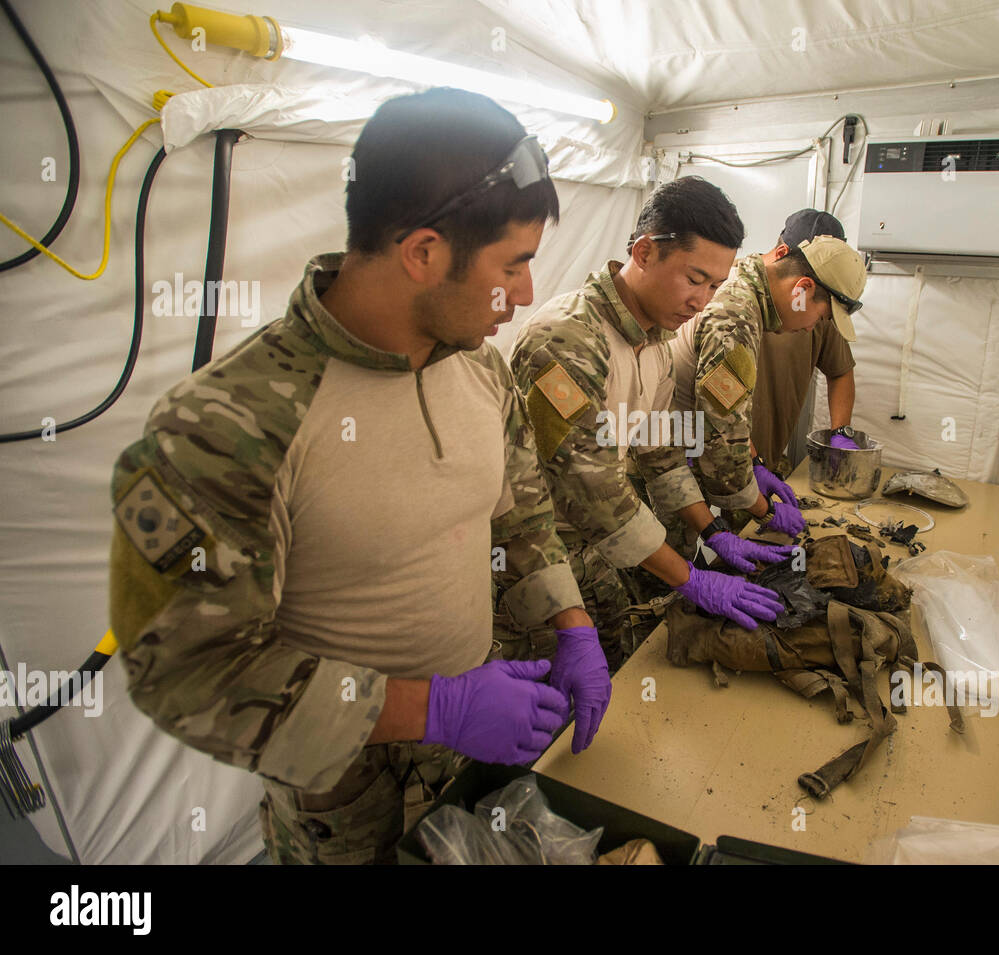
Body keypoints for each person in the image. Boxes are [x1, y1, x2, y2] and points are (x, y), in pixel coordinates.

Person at [107, 88, 610, 864]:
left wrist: (571, 624)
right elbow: (187, 674)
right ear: (423, 253)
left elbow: (522, 515)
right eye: (514, 265)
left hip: (465, 754)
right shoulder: (224, 428)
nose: (530, 294)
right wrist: (433, 705)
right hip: (339, 797)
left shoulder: (479, 371)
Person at [504, 177, 788, 669]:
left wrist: (712, 528)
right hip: (536, 558)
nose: (703, 300)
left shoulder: (654, 339)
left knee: (622, 668)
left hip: (594, 550)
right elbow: (592, 492)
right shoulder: (569, 338)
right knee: (544, 702)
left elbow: (658, 451)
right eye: (695, 278)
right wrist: (690, 578)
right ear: (644, 253)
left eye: (716, 285)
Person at [665, 228, 868, 551]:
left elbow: (729, 416)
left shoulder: (747, 287)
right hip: (663, 464)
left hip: (680, 454)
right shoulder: (735, 317)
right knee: (666, 580)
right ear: (803, 289)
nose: (810, 328)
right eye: (820, 317)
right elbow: (720, 439)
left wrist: (756, 465)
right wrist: (766, 511)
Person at [749, 210, 862, 474]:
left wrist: (840, 433)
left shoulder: (819, 305)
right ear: (783, 253)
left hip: (763, 458)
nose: (811, 324)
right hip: (715, 456)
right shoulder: (728, 297)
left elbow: (841, 369)